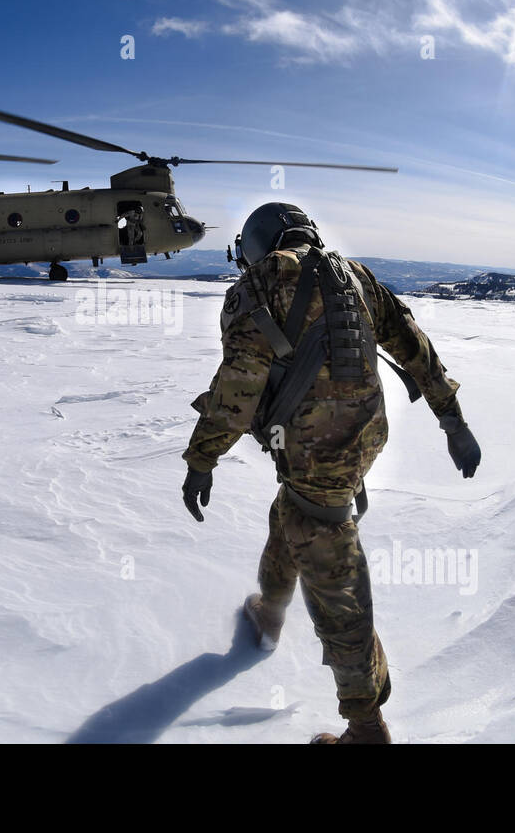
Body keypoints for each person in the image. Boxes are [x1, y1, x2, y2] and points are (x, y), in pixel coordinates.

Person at [180, 203, 481, 744]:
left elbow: (238, 388)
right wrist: (452, 419)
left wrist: (202, 459)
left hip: (316, 453)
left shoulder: (262, 282)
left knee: (334, 582)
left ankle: (366, 727)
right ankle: (270, 611)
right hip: (361, 439)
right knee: (290, 513)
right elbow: (414, 347)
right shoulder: (353, 275)